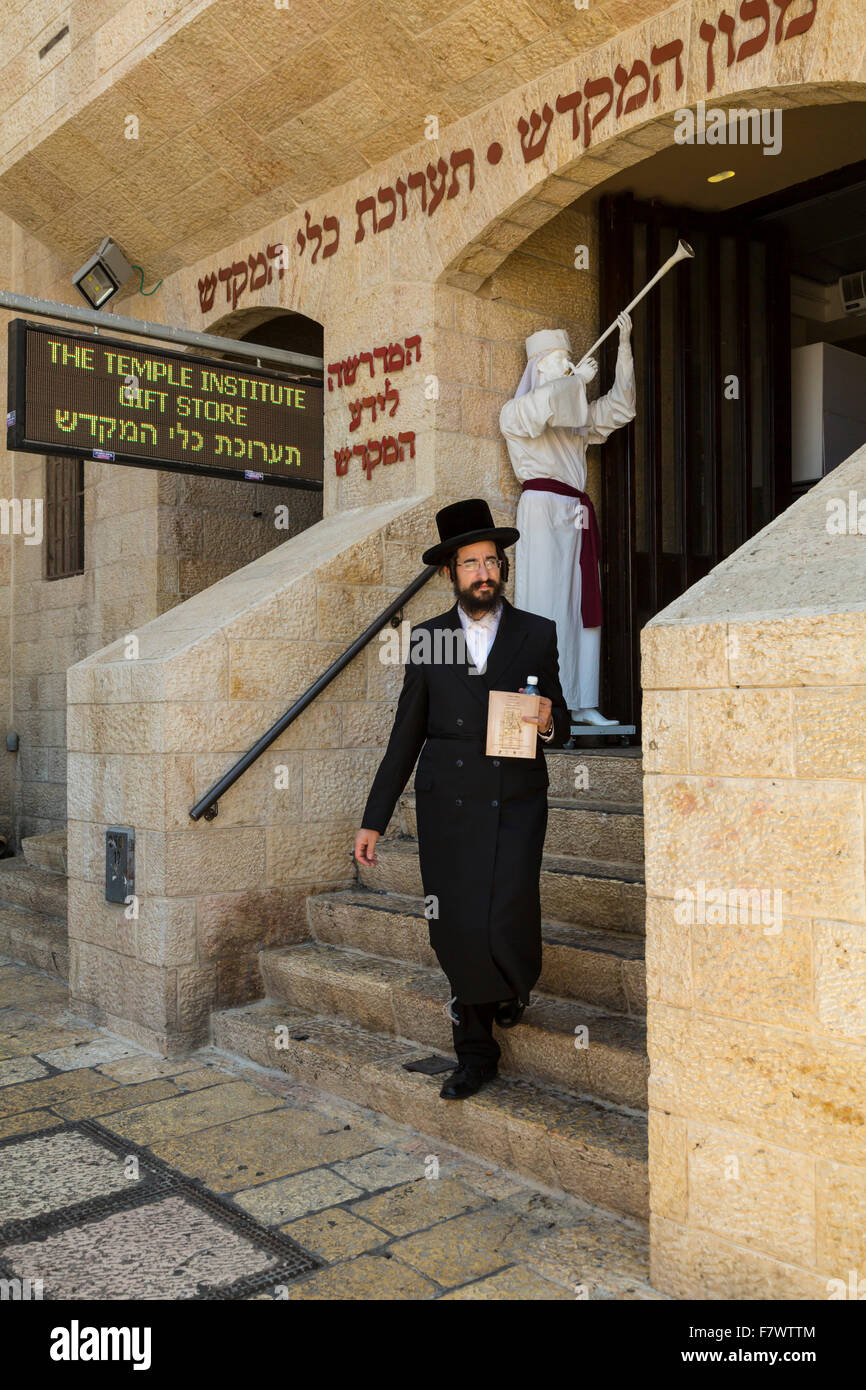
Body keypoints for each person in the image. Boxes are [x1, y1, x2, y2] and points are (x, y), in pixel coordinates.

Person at [353, 498, 571, 1100]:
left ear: (503, 567)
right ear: (450, 572)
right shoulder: (428, 641)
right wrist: (374, 819)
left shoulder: (536, 632)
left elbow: (565, 723)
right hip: (446, 802)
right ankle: (475, 1055)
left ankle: (514, 982)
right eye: (470, 563)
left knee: (508, 913)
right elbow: (405, 735)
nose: (483, 572)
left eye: (492, 561)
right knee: (456, 929)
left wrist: (550, 719)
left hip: (516, 798)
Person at [499, 313, 635, 725]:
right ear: (540, 366)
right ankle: (541, 701)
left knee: (580, 605)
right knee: (544, 602)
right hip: (542, 511)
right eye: (562, 360)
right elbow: (542, 408)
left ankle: (582, 700)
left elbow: (620, 408)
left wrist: (624, 349)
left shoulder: (574, 416)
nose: (570, 366)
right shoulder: (516, 412)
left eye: (571, 361)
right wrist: (575, 383)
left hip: (575, 514)